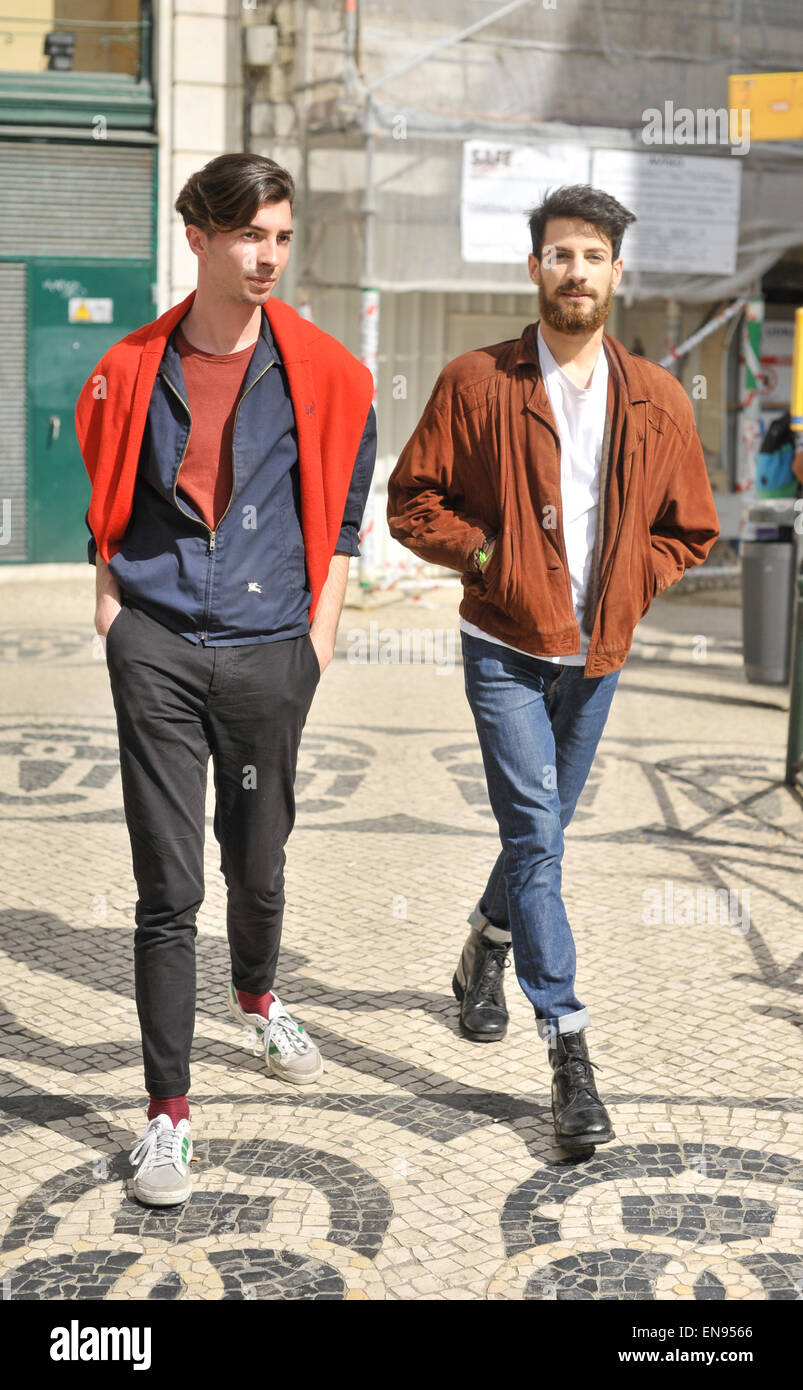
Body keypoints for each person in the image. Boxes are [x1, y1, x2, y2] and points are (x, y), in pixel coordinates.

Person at [387, 184, 720, 1152]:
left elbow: (687, 530)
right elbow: (414, 503)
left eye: (592, 256)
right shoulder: (475, 381)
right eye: (558, 254)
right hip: (503, 647)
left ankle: (483, 948)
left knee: (542, 828)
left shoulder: (655, 396)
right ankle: (567, 1047)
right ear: (533, 267)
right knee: (536, 834)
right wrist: (490, 559)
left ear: (618, 272)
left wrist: (628, 582)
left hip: (596, 654)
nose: (575, 271)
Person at [76, 153, 376, 1204]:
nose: (268, 257)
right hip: (155, 644)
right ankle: (166, 1116)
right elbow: (104, 487)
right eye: (251, 235)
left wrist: (318, 637)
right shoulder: (130, 366)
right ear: (197, 235)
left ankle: (256, 994)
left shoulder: (326, 375)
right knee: (170, 887)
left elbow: (342, 518)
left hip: (267, 652)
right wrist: (112, 604)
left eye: (283, 237)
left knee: (256, 862)